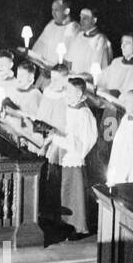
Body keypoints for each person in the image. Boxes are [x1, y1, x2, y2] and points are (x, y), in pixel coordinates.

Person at [44, 77, 99, 238]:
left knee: (74, 192)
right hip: (61, 153)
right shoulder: (69, 107)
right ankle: (63, 223)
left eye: (69, 92)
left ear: (80, 93)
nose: (66, 94)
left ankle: (79, 227)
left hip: (74, 157)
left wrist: (59, 139)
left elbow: (85, 141)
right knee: (62, 189)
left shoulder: (84, 113)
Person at [66, 7, 112, 78]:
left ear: (94, 20)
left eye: (85, 19)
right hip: (74, 79)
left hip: (89, 81)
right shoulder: (78, 35)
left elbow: (97, 67)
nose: (81, 22)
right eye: (80, 18)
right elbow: (69, 60)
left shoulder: (100, 39)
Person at [32, 0, 79, 67]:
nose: (53, 13)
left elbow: (70, 56)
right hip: (44, 70)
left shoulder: (74, 28)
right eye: (52, 9)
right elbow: (40, 44)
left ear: (67, 11)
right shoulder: (51, 24)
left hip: (60, 72)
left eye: (56, 10)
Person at [36, 63, 72, 130]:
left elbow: (62, 122)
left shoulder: (66, 97)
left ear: (65, 79)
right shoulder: (47, 91)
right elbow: (40, 113)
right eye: (52, 78)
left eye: (56, 79)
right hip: (42, 127)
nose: (52, 82)